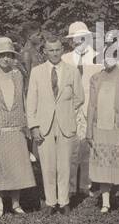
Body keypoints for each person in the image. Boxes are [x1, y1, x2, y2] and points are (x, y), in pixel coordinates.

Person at [0, 36, 36, 216]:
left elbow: (23, 100)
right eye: (2, 55)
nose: (6, 59)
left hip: (15, 128)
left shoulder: (17, 75)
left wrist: (27, 124)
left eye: (9, 55)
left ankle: (16, 203)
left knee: (16, 166)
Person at [25, 34, 84, 213]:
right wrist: (34, 126)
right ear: (45, 52)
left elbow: (79, 97)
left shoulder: (72, 71)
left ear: (62, 50)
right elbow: (31, 102)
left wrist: (64, 111)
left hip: (65, 124)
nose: (55, 53)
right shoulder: (37, 72)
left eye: (58, 49)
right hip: (44, 126)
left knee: (65, 164)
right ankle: (51, 202)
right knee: (48, 165)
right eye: (51, 50)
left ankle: (64, 201)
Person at [84, 33, 119, 212]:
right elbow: (91, 105)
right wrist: (89, 130)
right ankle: (106, 201)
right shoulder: (95, 78)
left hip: (118, 128)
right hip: (100, 127)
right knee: (103, 165)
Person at [62, 20, 102, 201]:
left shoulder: (96, 57)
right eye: (75, 40)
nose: (79, 43)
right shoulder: (65, 59)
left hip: (91, 107)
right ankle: (70, 187)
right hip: (71, 108)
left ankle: (86, 185)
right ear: (71, 42)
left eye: (82, 38)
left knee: (88, 148)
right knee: (71, 149)